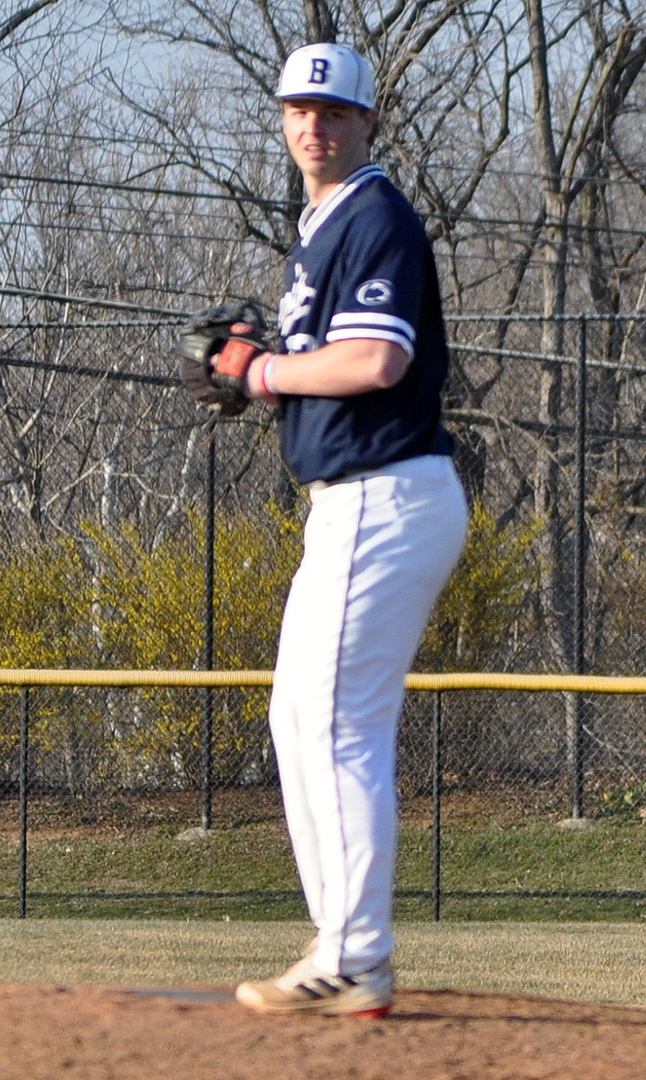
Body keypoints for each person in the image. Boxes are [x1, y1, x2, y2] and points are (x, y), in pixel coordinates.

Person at [229, 41, 468, 1019]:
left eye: (333, 112)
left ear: (369, 121)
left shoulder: (375, 217)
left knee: (337, 725)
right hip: (351, 501)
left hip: (387, 491)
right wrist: (263, 364)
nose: (314, 126)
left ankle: (357, 953)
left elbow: (374, 360)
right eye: (300, 109)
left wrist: (260, 373)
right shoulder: (321, 228)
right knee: (299, 718)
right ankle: (342, 944)